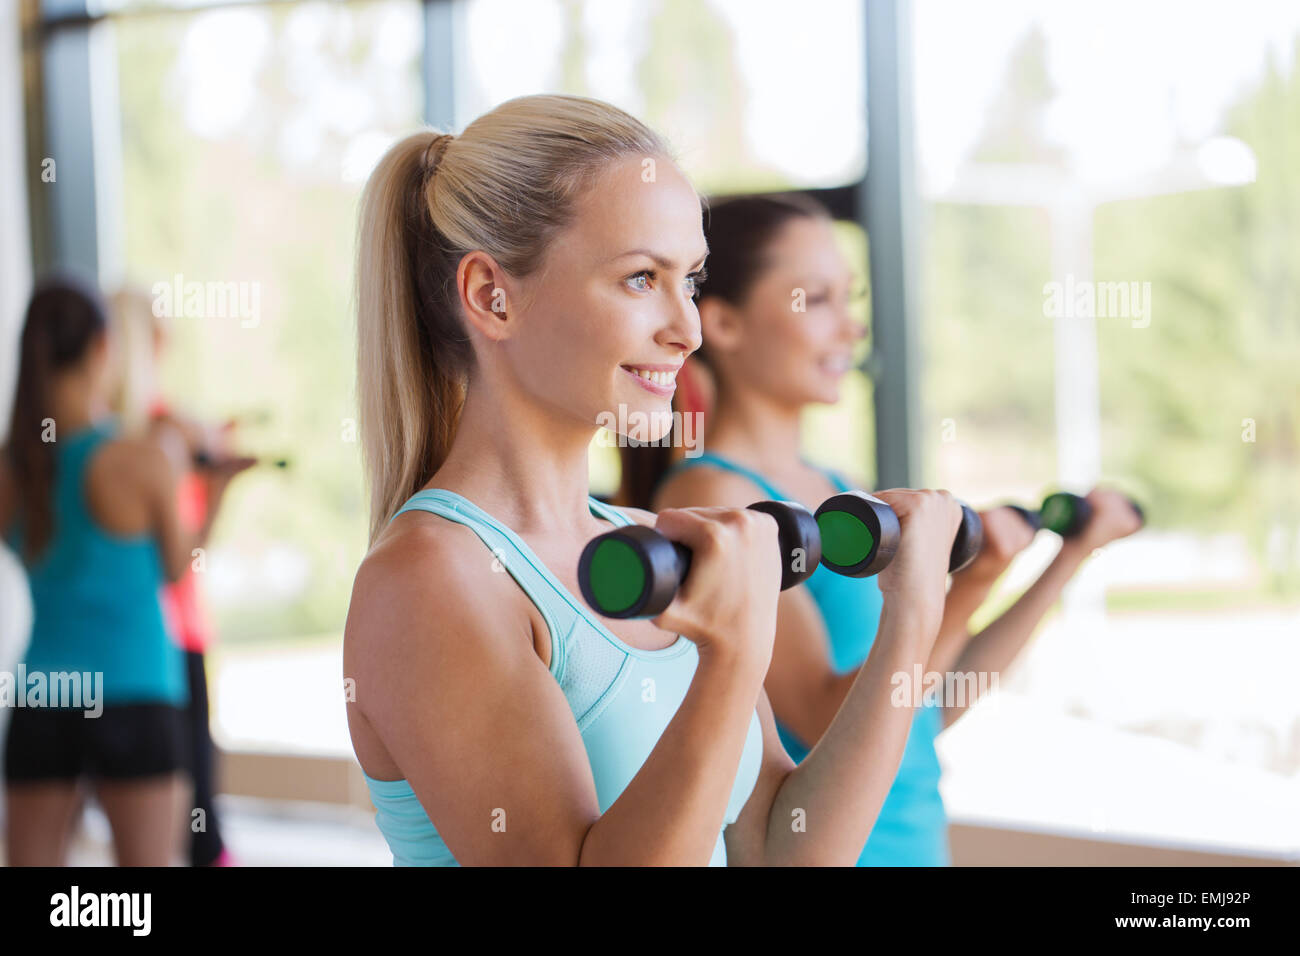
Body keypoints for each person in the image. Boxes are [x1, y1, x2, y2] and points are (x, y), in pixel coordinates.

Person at [343, 93, 964, 866]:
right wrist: (731, 659)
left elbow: (782, 848)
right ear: (490, 296)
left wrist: (911, 616)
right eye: (642, 279)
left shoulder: (637, 538)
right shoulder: (431, 578)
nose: (689, 329)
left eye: (692, 281)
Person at [627, 192, 1144, 865]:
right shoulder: (719, 500)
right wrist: (949, 592)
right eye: (815, 300)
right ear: (721, 323)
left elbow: (919, 707)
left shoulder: (840, 489)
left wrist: (1060, 562)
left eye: (853, 297)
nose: (852, 328)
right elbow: (820, 716)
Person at [0, 278, 250, 865]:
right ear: (101, 349)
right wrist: (214, 493)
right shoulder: (141, 460)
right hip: (136, 690)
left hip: (45, 691)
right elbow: (175, 570)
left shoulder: (13, 471)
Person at [106, 285, 240, 866]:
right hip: (166, 641)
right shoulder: (156, 437)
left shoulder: (114, 438)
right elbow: (175, 561)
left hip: (135, 648)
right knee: (194, 821)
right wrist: (216, 489)